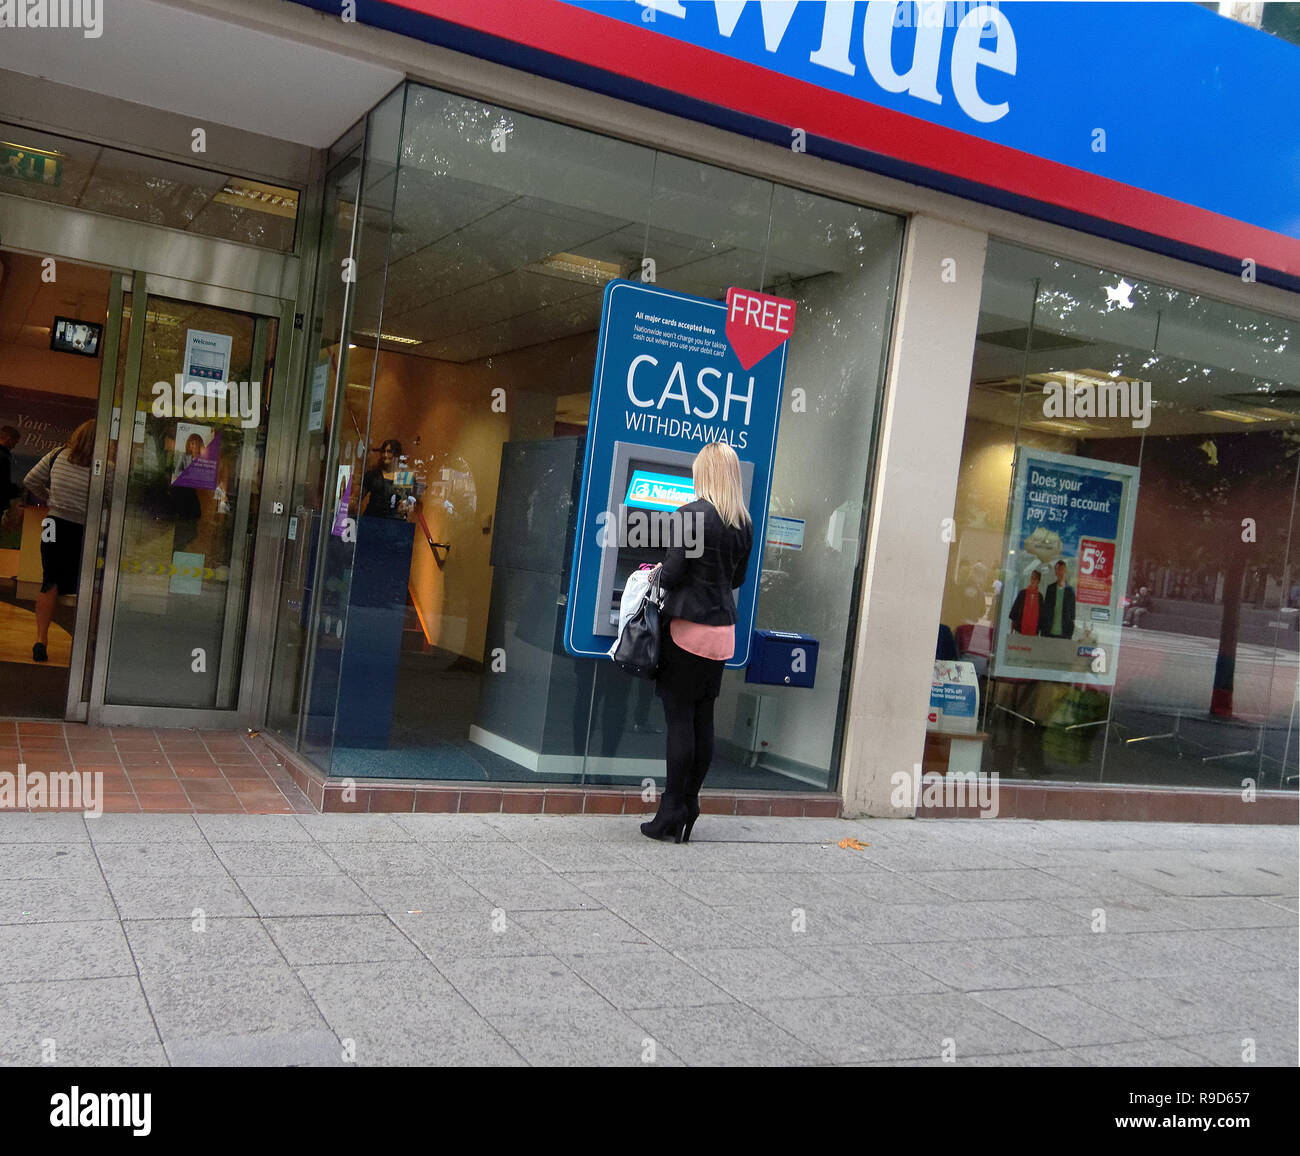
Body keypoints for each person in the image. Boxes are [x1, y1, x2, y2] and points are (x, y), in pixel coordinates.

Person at [640, 441, 753, 844]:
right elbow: (735, 579)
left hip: (687, 630)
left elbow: (671, 574)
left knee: (679, 721)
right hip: (722, 635)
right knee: (703, 719)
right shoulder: (743, 522)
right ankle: (690, 802)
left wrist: (652, 574)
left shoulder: (690, 516)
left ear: (704, 474)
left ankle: (670, 809)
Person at [23, 419, 94, 662]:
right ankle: (84, 644)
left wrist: (50, 498)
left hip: (53, 524)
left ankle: (41, 640)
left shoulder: (57, 455)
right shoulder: (105, 466)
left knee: (49, 582)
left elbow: (30, 480)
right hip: (83, 529)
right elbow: (108, 500)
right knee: (85, 585)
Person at [360, 438, 412, 519]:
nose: (385, 455)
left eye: (389, 452)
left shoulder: (404, 476)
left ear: (397, 454)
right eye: (384, 451)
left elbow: (406, 502)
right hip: (372, 520)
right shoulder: (374, 474)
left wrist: (404, 507)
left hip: (393, 523)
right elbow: (358, 497)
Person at [1039, 559, 1076, 640]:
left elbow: (1072, 615)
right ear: (1055, 572)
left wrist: (1070, 633)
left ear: (1065, 571)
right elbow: (1046, 611)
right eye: (1057, 569)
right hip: (1049, 632)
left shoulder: (1070, 591)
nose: (1060, 572)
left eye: (1062, 569)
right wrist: (1043, 630)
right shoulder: (1050, 588)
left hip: (1064, 634)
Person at [1007, 569, 1042, 636]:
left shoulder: (1040, 597)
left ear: (1038, 581)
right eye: (1032, 578)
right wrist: (1012, 629)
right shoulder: (1022, 593)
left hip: (1033, 632)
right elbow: (1014, 612)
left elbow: (1041, 616)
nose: (1032, 580)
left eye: (1035, 579)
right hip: (1019, 629)